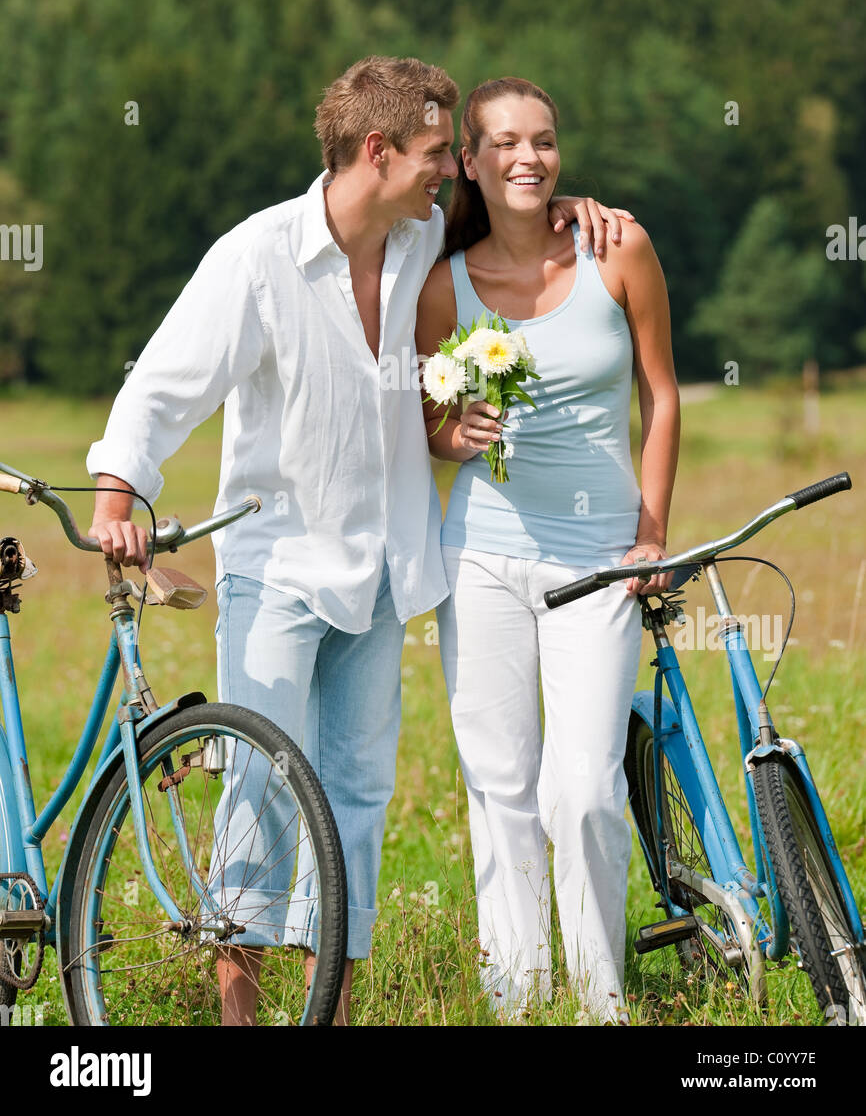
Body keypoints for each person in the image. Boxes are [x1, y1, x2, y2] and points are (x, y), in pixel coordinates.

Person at [85, 56, 631, 1026]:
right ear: (376, 150)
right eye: (433, 152)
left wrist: (575, 204)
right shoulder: (257, 257)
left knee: (356, 799)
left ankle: (326, 1013)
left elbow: (514, 199)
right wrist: (120, 493)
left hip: (387, 572)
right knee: (257, 787)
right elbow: (164, 384)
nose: (447, 172)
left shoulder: (421, 233)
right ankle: (242, 1021)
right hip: (278, 571)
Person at [416, 77, 680, 1024]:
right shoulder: (440, 282)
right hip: (480, 556)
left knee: (584, 788)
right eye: (507, 144)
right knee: (500, 784)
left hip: (599, 556)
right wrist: (455, 437)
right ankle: (516, 999)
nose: (530, 158)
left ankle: (600, 1001)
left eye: (546, 142)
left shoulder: (617, 248)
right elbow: (427, 423)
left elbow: (662, 395)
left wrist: (651, 531)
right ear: (471, 163)